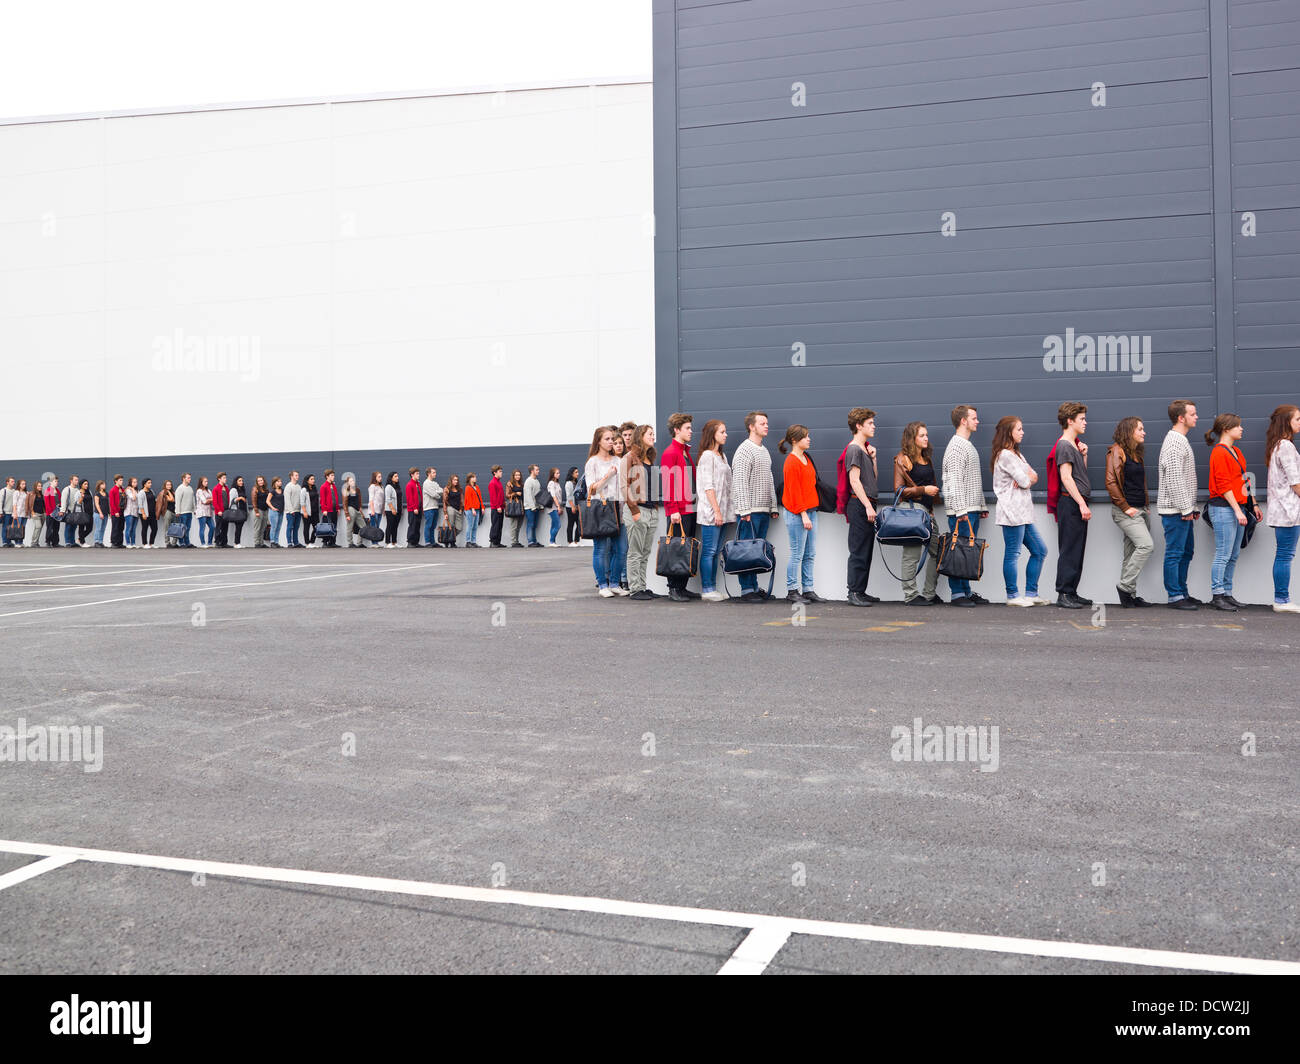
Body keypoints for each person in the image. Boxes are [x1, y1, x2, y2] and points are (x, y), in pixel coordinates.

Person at [989, 417, 1048, 607]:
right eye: (1019, 429)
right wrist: (1026, 478)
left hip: (1024, 513)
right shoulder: (1005, 455)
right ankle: (1013, 596)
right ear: (1009, 432)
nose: (1023, 432)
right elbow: (1024, 481)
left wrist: (1028, 477)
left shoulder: (1017, 455)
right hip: (1012, 512)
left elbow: (1034, 476)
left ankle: (1031, 593)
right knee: (1013, 553)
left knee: (1039, 550)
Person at [1205, 413, 1259, 612]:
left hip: (1237, 508)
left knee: (1233, 554)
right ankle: (1217, 595)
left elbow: (1244, 479)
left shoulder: (1235, 451)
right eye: (1238, 426)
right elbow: (1223, 484)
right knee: (1223, 553)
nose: (1241, 429)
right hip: (1223, 508)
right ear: (1227, 429)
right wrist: (1237, 510)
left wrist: (1253, 505)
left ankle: (1227, 593)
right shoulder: (1219, 452)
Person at [941, 405, 989, 606]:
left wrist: (982, 505)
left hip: (971, 508)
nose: (978, 421)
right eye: (974, 418)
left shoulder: (967, 445)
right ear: (963, 421)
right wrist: (960, 510)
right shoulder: (956, 447)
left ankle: (966, 591)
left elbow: (972, 479)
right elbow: (952, 482)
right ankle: (957, 594)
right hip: (962, 511)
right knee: (958, 551)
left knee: (966, 553)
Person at [1105, 417, 1155, 607]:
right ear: (1129, 431)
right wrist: (1126, 507)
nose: (1144, 432)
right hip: (1125, 511)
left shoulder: (1136, 453)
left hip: (1140, 509)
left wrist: (1145, 505)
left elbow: (1138, 483)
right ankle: (1125, 587)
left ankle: (1130, 596)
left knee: (1131, 552)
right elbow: (1110, 482)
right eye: (1140, 429)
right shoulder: (1116, 452)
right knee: (1146, 546)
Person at [1157, 399, 1200, 610]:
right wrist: (1186, 508)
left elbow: (1185, 479)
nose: (1196, 417)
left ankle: (1182, 592)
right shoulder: (1174, 442)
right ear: (1181, 418)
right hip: (1175, 511)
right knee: (1175, 553)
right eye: (1193, 414)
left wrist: (1191, 508)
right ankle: (1175, 596)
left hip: (1183, 510)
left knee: (1186, 552)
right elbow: (1174, 479)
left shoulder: (1180, 440)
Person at [731, 411, 780, 601]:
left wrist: (773, 507)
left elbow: (769, 479)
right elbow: (739, 482)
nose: (766, 426)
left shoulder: (764, 450)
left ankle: (754, 586)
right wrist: (744, 510)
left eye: (767, 423)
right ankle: (746, 590)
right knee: (745, 551)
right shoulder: (744, 450)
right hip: (749, 512)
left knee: (756, 553)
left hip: (763, 511)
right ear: (751, 427)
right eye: (762, 423)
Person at [895, 422, 944, 605]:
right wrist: (924, 490)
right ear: (912, 438)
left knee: (937, 551)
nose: (926, 438)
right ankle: (911, 595)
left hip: (927, 513)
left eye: (926, 435)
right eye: (922, 435)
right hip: (912, 511)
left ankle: (929, 593)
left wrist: (930, 509)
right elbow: (898, 490)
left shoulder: (926, 458)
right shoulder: (903, 458)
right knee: (912, 554)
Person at [1053, 402, 1092, 609]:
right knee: (1069, 549)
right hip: (1070, 503)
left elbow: (1079, 475)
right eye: (1082, 419)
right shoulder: (1064, 445)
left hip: (1074, 502)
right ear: (1070, 421)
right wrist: (1081, 504)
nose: (1085, 422)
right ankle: (1064, 594)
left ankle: (1072, 592)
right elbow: (1066, 478)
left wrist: (1083, 455)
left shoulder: (1073, 446)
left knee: (1077, 549)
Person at [779, 424, 822, 604]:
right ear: (795, 440)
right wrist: (804, 514)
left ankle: (808, 589)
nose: (809, 439)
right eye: (805, 436)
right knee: (797, 553)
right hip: (797, 513)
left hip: (810, 511)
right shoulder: (791, 461)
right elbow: (794, 491)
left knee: (810, 553)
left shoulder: (806, 458)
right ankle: (792, 590)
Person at [1265, 404, 1300, 613]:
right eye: (1297, 419)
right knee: (1285, 555)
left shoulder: (1278, 445)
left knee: (1284, 554)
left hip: (1283, 511)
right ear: (1287, 421)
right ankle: (1282, 599)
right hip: (1288, 512)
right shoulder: (1285, 446)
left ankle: (1282, 598)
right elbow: (1296, 483)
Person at [660, 412, 698, 602]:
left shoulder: (685, 452)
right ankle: (673, 588)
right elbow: (667, 484)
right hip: (678, 511)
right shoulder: (670, 453)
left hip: (689, 508)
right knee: (675, 549)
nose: (691, 431)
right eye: (687, 428)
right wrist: (672, 510)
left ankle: (682, 587)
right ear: (677, 430)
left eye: (691, 427)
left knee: (686, 548)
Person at [846, 408, 881, 607]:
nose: (873, 426)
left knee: (866, 550)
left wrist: (873, 458)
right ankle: (853, 592)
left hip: (867, 504)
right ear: (859, 426)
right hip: (860, 504)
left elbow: (872, 478)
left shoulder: (864, 450)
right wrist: (867, 506)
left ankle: (861, 590)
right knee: (858, 550)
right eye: (870, 423)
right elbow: (854, 481)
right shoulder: (854, 449)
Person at [623, 424, 662, 600]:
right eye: (650, 434)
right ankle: (635, 589)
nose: (653, 437)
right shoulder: (629, 457)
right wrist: (634, 510)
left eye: (653, 434)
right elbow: (624, 486)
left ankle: (642, 586)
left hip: (651, 511)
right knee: (635, 552)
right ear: (641, 436)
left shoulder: (649, 459)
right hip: (637, 511)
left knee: (645, 553)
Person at [585, 426, 624, 596]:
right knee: (600, 549)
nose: (611, 443)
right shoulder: (592, 462)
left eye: (613, 440)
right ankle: (602, 584)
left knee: (621, 549)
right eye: (607, 439)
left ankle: (615, 582)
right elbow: (591, 490)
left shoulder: (618, 460)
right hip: (600, 507)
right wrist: (608, 476)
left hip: (618, 506)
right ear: (599, 441)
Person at [60, 475, 83, 547]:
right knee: (69, 527)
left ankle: (72, 542)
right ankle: (67, 542)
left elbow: (79, 502)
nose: (77, 481)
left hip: (76, 512)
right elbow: (63, 500)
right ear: (71, 481)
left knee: (74, 527)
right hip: (69, 511)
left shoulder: (77, 490)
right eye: (75, 480)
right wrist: (62, 510)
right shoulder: (67, 489)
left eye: (77, 480)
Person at [317, 471, 338, 548]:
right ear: (327, 476)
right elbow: (322, 500)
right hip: (327, 510)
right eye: (332, 475)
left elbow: (336, 498)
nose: (333, 477)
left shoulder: (333, 486)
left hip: (334, 510)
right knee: (326, 526)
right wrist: (324, 510)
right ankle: (325, 542)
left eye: (333, 475)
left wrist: (338, 508)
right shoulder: (324, 486)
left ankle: (332, 542)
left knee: (334, 526)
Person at [524, 464, 544, 547]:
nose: (538, 471)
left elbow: (538, 495)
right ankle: (530, 542)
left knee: (534, 525)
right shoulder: (528, 481)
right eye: (537, 470)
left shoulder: (537, 481)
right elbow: (528, 495)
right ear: (532, 471)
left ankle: (534, 541)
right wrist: (532, 507)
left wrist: (541, 506)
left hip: (536, 507)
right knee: (530, 524)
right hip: (530, 508)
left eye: (538, 469)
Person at [422, 467, 442, 547]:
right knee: (428, 525)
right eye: (433, 472)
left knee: (433, 526)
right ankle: (427, 542)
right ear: (429, 473)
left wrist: (436, 492)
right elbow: (434, 495)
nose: (435, 474)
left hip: (435, 507)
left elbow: (442, 490)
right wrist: (437, 493)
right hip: (428, 508)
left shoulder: (434, 483)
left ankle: (433, 542)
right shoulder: (426, 483)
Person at [344, 475, 365, 548]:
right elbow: (344, 503)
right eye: (350, 481)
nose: (352, 482)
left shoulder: (357, 489)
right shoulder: (346, 491)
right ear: (348, 483)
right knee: (350, 526)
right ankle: (350, 543)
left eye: (353, 480)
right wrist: (347, 514)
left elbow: (359, 501)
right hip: (350, 509)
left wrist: (361, 511)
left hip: (357, 509)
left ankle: (359, 543)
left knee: (363, 526)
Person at [442, 474, 463, 547]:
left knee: (459, 528)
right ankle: (452, 542)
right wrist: (445, 513)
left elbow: (461, 500)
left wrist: (461, 509)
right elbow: (444, 501)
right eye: (454, 480)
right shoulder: (447, 489)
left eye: (457, 480)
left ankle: (447, 539)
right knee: (451, 526)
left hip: (458, 510)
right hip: (450, 508)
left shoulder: (459, 489)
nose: (456, 481)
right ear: (451, 480)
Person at [506, 470, 525, 547]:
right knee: (514, 525)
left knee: (519, 525)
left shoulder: (521, 484)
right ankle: (513, 542)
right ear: (513, 476)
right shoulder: (510, 484)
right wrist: (515, 493)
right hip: (514, 506)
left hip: (521, 506)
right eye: (516, 475)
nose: (518, 476)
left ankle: (516, 541)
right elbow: (507, 495)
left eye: (519, 475)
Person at [464, 474, 484, 546]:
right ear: (469, 479)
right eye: (473, 477)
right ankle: (468, 541)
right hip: (470, 509)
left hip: (477, 509)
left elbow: (480, 498)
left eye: (475, 477)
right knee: (470, 525)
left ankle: (473, 541)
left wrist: (482, 507)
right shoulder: (468, 488)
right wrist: (472, 509)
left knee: (475, 526)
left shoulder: (477, 487)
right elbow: (469, 499)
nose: (475, 478)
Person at [405, 467, 423, 548]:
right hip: (413, 510)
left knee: (418, 525)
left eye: (418, 473)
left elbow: (420, 496)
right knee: (412, 525)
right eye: (417, 474)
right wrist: (414, 508)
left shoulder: (418, 484)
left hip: (419, 509)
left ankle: (416, 542)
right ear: (412, 475)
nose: (418, 475)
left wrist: (421, 508)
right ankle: (410, 542)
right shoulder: (410, 485)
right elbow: (409, 498)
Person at [284, 471, 302, 548]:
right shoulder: (288, 486)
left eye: (298, 475)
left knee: (296, 527)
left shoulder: (299, 486)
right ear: (291, 476)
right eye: (296, 475)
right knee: (290, 527)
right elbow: (287, 500)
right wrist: (291, 511)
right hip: (291, 512)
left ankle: (296, 542)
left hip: (298, 510)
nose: (298, 476)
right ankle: (289, 543)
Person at [228, 476, 247, 547]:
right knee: (238, 527)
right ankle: (236, 543)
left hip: (243, 510)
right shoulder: (233, 490)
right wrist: (240, 498)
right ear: (236, 482)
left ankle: (238, 542)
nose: (241, 482)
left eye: (242, 480)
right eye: (239, 481)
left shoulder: (242, 489)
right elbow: (232, 501)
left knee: (240, 527)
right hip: (237, 511)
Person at [488, 465, 505, 547]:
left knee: (500, 525)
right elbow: (493, 497)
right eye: (500, 471)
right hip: (496, 508)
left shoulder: (499, 482)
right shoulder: (492, 483)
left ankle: (497, 542)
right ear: (495, 472)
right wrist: (498, 506)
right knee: (495, 525)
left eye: (501, 471)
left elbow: (501, 495)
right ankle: (493, 542)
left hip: (501, 507)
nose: (501, 473)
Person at [250, 475, 269, 548]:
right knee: (257, 528)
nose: (260, 482)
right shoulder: (255, 489)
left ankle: (261, 542)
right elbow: (253, 501)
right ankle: (257, 543)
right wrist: (256, 511)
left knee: (263, 527)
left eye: (261, 480)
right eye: (259, 481)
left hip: (265, 510)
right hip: (258, 510)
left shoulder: (266, 490)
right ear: (257, 482)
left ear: (263, 481)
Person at [546, 467, 563, 545]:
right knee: (558, 525)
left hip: (557, 506)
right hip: (553, 507)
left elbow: (559, 496)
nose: (559, 474)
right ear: (553, 474)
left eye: (559, 473)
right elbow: (553, 496)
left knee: (554, 525)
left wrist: (560, 506)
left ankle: (553, 542)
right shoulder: (551, 483)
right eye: (557, 473)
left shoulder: (557, 483)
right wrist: (558, 506)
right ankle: (551, 541)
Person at [25, 478, 45, 547]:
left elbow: (43, 505)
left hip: (42, 514)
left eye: (41, 486)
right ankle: (33, 542)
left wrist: (45, 513)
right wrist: (31, 513)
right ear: (35, 487)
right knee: (38, 526)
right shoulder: (31, 494)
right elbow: (28, 504)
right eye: (39, 486)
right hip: (35, 514)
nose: (40, 487)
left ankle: (36, 542)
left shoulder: (42, 495)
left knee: (39, 528)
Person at [195, 476, 214, 547]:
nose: (206, 483)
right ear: (201, 482)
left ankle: (210, 543)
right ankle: (203, 543)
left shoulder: (209, 491)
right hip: (201, 512)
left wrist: (209, 500)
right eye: (205, 481)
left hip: (209, 512)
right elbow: (204, 501)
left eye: (207, 481)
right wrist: (209, 500)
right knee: (202, 528)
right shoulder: (199, 491)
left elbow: (212, 500)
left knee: (212, 527)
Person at [384, 471, 401, 547]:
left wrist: (398, 509)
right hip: (390, 510)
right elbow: (388, 499)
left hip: (398, 509)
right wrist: (392, 509)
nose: (397, 478)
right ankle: (388, 543)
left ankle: (394, 542)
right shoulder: (388, 487)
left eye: (397, 476)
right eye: (395, 476)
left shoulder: (397, 486)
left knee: (395, 526)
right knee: (390, 526)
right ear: (391, 478)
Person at [9, 479, 28, 547]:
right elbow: (14, 504)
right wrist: (15, 513)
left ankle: (21, 542)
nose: (24, 485)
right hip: (18, 513)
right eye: (22, 484)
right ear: (19, 485)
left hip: (25, 514)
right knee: (17, 528)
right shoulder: (16, 492)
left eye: (25, 484)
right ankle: (17, 543)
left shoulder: (26, 493)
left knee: (22, 528)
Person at [157, 480, 176, 547]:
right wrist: (167, 491)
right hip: (167, 512)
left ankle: (174, 543)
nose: (169, 486)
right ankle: (167, 543)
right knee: (167, 528)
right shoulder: (164, 493)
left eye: (170, 485)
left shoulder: (173, 492)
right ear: (165, 486)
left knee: (175, 528)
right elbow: (171, 499)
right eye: (167, 485)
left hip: (174, 512)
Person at [140, 478, 158, 548]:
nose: (150, 484)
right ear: (144, 484)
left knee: (155, 528)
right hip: (145, 513)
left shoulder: (151, 491)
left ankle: (151, 543)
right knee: (145, 528)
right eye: (149, 483)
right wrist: (143, 514)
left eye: (151, 483)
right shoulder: (141, 493)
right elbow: (140, 504)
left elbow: (155, 500)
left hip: (152, 513)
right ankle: (144, 544)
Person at [107, 474, 124, 548]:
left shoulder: (122, 489)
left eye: (122, 480)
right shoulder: (113, 490)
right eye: (120, 480)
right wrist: (115, 511)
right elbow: (112, 502)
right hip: (115, 512)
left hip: (122, 511)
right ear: (115, 481)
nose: (122, 482)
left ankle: (120, 542)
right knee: (115, 527)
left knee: (121, 527)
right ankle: (114, 542)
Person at [565, 467, 581, 545]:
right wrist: (572, 506)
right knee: (571, 524)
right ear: (572, 474)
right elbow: (569, 496)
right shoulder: (569, 483)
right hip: (570, 507)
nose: (577, 474)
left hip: (577, 506)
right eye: (576, 472)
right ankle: (570, 541)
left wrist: (577, 505)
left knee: (579, 523)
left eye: (577, 472)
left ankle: (576, 541)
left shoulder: (576, 483)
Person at [43, 476, 61, 547]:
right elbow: (47, 503)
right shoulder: (48, 490)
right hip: (50, 513)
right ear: (50, 482)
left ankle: (55, 542)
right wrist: (50, 512)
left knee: (56, 528)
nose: (57, 483)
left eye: (57, 481)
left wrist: (60, 509)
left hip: (57, 512)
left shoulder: (57, 490)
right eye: (55, 481)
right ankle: (48, 542)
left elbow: (60, 500)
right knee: (50, 528)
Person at [124, 476, 141, 549]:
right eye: (134, 482)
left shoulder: (138, 490)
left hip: (136, 512)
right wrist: (133, 490)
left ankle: (133, 543)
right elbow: (133, 498)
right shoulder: (128, 490)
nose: (135, 483)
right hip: (129, 512)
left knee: (133, 529)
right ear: (130, 483)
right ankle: (128, 543)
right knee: (129, 528)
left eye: (136, 482)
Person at [302, 474, 319, 547]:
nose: (313, 480)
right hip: (307, 512)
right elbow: (302, 502)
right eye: (311, 479)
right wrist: (305, 512)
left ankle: (312, 542)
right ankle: (307, 543)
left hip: (315, 512)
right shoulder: (304, 490)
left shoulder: (314, 488)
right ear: (307, 480)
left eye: (313, 479)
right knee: (306, 527)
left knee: (317, 527)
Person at [267, 476, 285, 548]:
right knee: (273, 527)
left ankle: (276, 542)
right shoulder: (272, 492)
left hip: (281, 511)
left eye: (280, 481)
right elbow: (267, 501)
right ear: (274, 483)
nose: (280, 482)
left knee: (278, 527)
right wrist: (272, 508)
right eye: (278, 481)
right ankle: (272, 542)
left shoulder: (283, 491)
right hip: (274, 512)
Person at [90, 480, 107, 548]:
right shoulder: (97, 494)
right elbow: (97, 504)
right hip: (98, 514)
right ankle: (96, 541)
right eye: (103, 484)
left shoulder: (106, 493)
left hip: (105, 513)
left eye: (104, 484)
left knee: (103, 528)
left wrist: (109, 512)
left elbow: (107, 504)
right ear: (99, 485)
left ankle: (101, 541)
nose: (104, 485)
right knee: (98, 528)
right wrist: (100, 513)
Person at [213, 472, 229, 548]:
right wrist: (219, 510)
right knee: (218, 527)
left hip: (226, 511)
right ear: (219, 479)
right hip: (219, 512)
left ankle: (224, 542)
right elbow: (215, 502)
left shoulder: (226, 488)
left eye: (226, 478)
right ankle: (217, 542)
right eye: (224, 478)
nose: (225, 479)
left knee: (225, 527)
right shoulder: (216, 488)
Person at [367, 472, 384, 541]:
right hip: (374, 510)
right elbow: (371, 499)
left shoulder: (381, 487)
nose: (380, 478)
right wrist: (372, 510)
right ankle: (373, 543)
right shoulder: (372, 486)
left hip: (380, 510)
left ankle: (376, 542)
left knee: (377, 527)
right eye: (379, 477)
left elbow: (382, 499)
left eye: (381, 477)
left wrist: (383, 509)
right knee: (373, 527)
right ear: (375, 478)